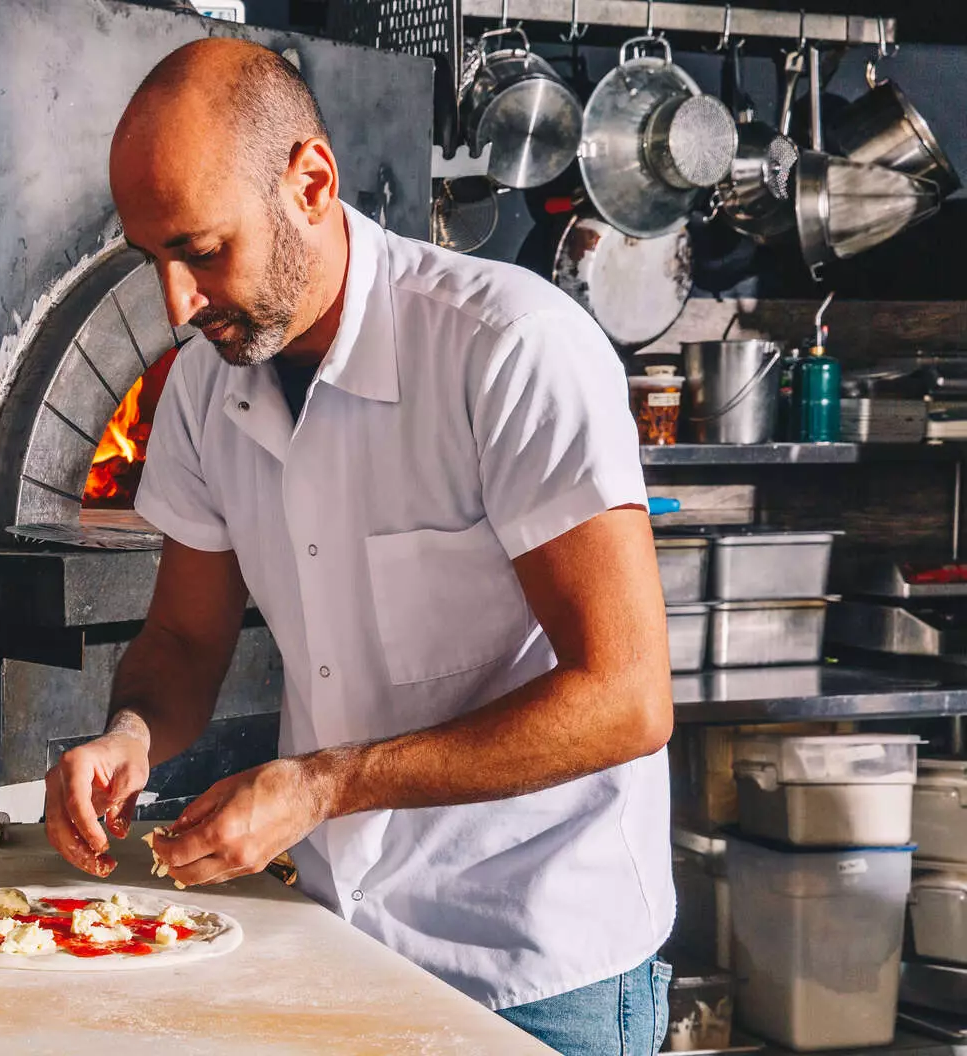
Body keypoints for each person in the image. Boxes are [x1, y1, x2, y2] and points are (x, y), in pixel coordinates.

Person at [44, 36, 675, 1056]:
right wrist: (130, 735)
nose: (177, 303)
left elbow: (627, 697)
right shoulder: (207, 388)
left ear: (311, 182)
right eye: (154, 259)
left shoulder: (510, 350)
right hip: (338, 945)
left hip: (539, 971)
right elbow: (183, 643)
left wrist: (323, 784)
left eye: (202, 251)